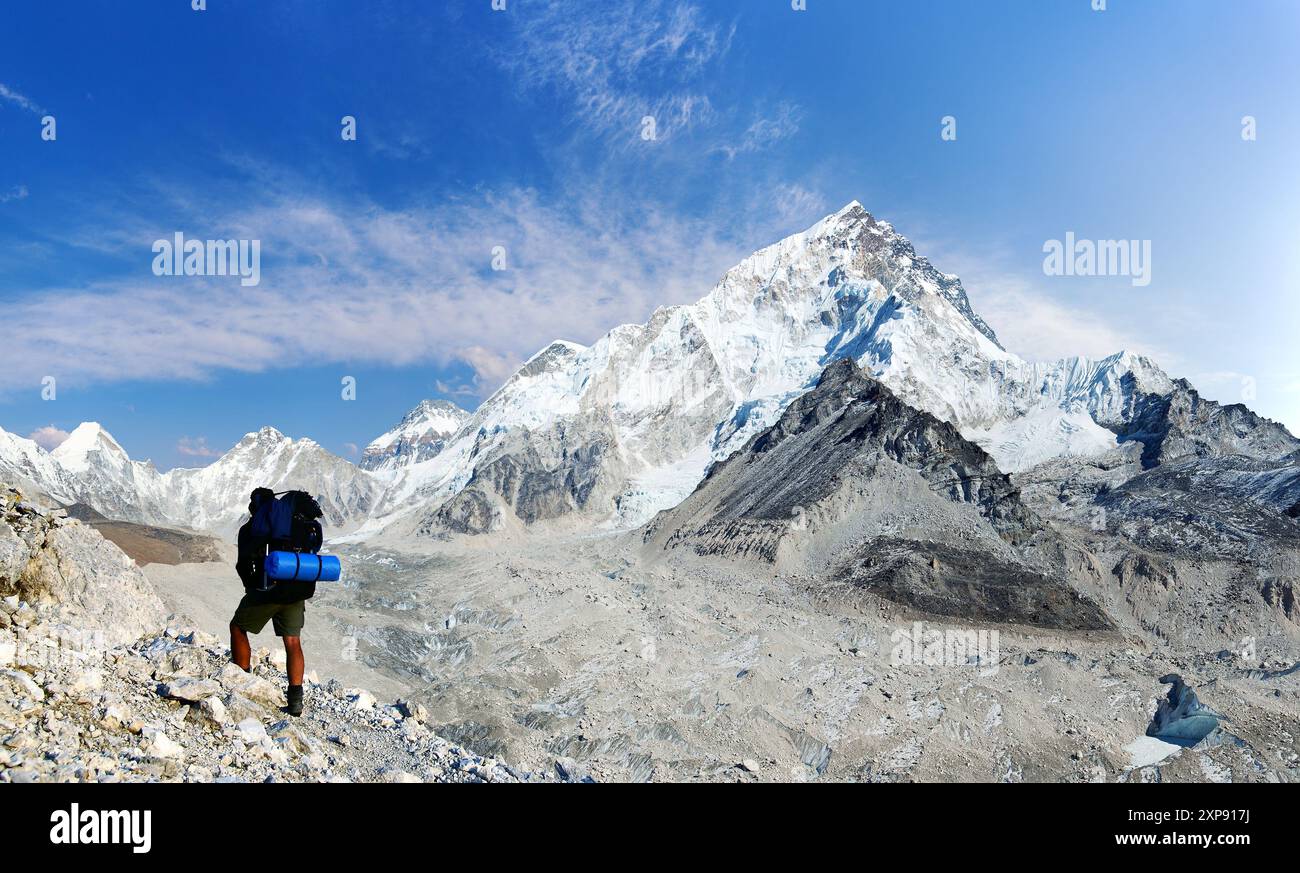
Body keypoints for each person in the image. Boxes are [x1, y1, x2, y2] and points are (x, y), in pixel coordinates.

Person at [231, 487, 313, 717]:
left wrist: (251, 587)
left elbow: (243, 564)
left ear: (254, 504)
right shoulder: (293, 526)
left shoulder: (251, 528)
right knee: (293, 642)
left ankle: (241, 683)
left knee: (237, 627)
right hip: (296, 587)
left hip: (267, 591)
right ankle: (295, 702)